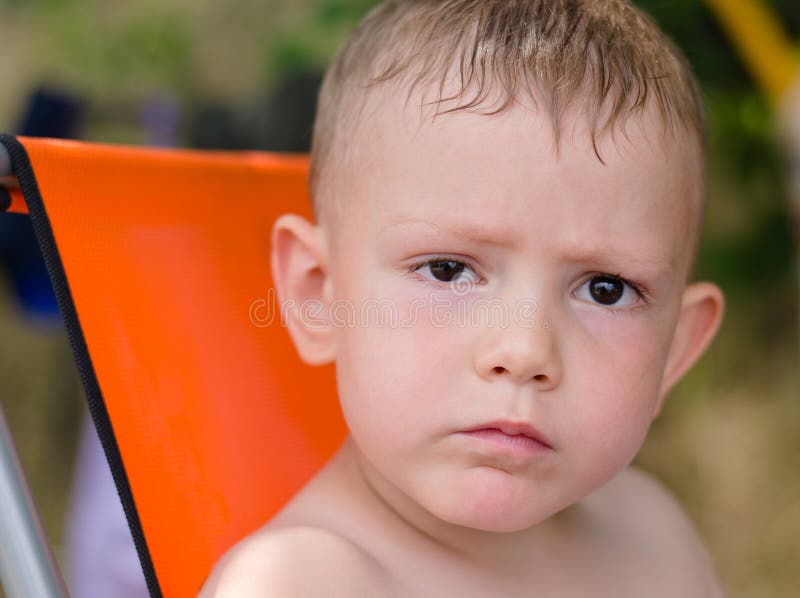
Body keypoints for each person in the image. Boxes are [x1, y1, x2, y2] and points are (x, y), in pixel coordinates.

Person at [200, 0, 726, 595]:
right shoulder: (301, 582)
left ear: (673, 352)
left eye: (605, 290)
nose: (525, 351)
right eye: (448, 270)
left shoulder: (653, 533)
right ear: (320, 295)